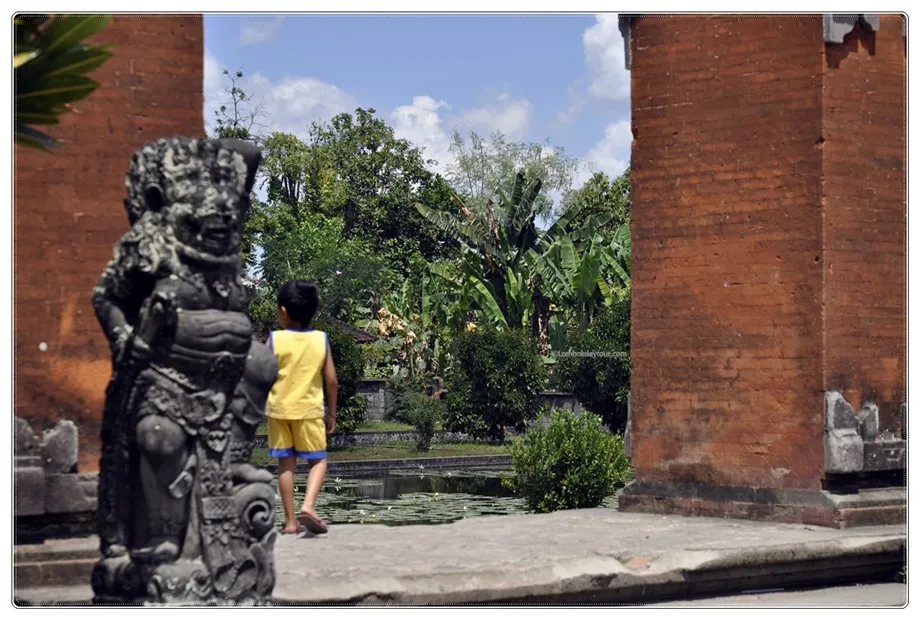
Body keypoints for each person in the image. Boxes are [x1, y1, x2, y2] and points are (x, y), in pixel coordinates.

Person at [265, 279, 338, 535]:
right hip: (308, 411)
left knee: (286, 464)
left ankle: (290, 522)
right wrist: (331, 413)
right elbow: (331, 380)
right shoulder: (320, 340)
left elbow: (263, 374)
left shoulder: (274, 339)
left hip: (278, 410)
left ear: (283, 311)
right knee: (318, 461)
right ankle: (307, 505)